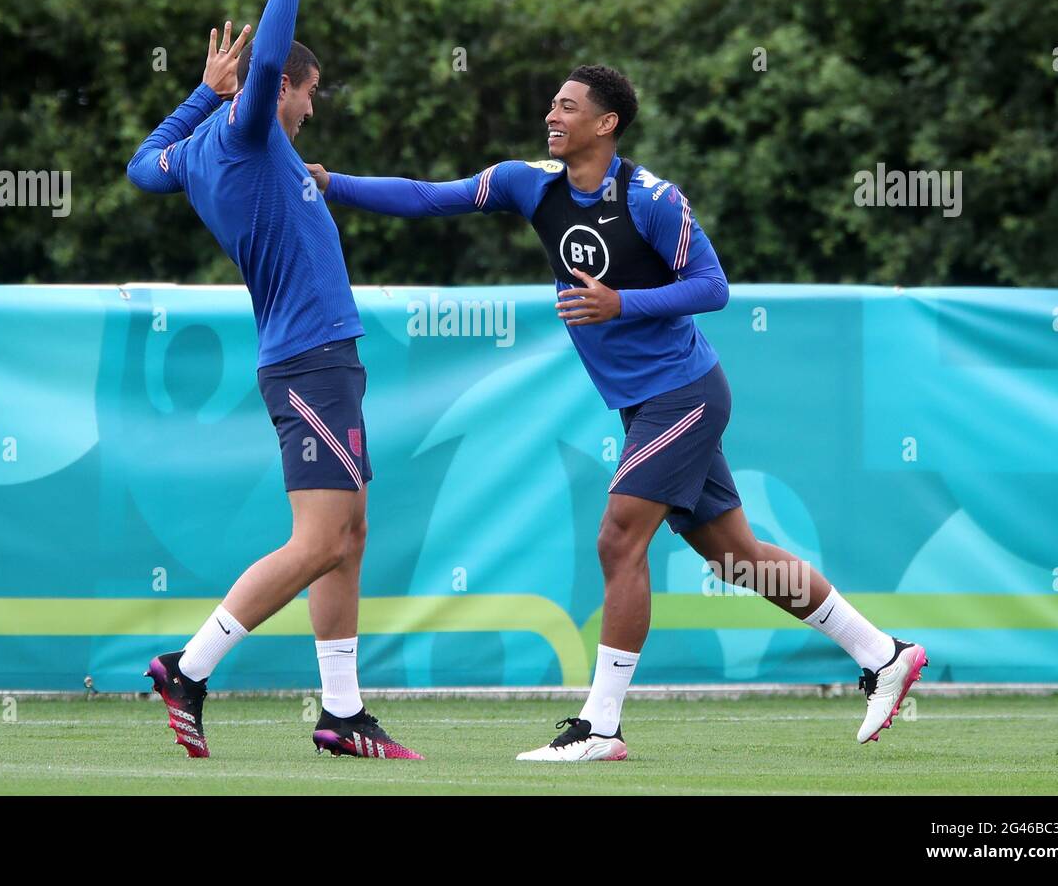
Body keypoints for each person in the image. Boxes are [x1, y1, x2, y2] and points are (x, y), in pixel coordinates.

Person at [306, 64, 926, 760]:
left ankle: (600, 727)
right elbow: (426, 199)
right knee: (740, 558)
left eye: (568, 108)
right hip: (644, 404)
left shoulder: (651, 199)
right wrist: (331, 184)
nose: (552, 116)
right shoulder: (528, 182)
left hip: (684, 394)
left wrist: (620, 303)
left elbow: (713, 287)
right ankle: (883, 652)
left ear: (606, 124)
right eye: (552, 104)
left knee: (617, 539)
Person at [126, 0, 419, 761]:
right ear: (276, 86)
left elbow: (143, 168)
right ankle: (190, 666)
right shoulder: (251, 132)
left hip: (314, 358)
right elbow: (265, 66)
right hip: (309, 360)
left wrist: (196, 93)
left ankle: (341, 712)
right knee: (320, 539)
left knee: (350, 535)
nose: (311, 110)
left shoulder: (202, 144)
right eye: (308, 92)